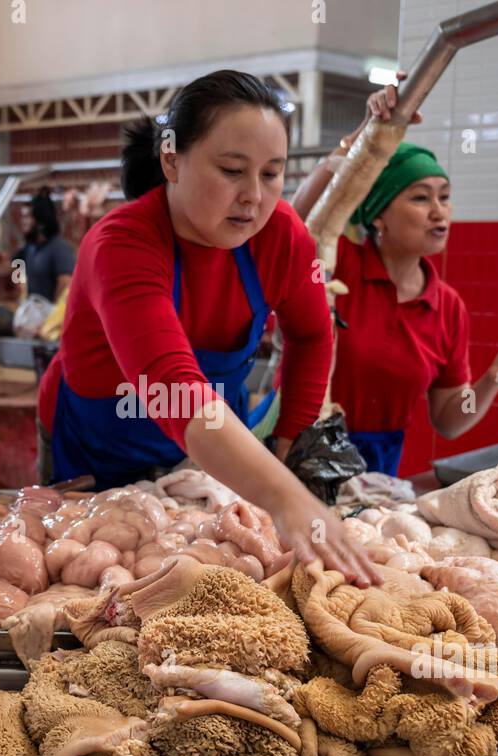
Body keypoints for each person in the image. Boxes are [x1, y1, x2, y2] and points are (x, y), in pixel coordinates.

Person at [37, 69, 380, 584]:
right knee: (90, 585)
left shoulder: (281, 236)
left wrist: (290, 441)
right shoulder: (121, 244)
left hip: (214, 459)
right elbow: (174, 391)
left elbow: (311, 335)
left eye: (271, 174)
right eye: (231, 170)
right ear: (171, 160)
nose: (253, 197)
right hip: (97, 450)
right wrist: (287, 497)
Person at [292, 79, 498, 475]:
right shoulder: (340, 267)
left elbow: (448, 418)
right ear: (378, 215)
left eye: (444, 196)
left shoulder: (448, 308)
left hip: (380, 468)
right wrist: (367, 131)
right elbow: (302, 217)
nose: (439, 212)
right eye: (421, 198)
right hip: (300, 447)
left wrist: (493, 379)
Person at [14, 187, 76, 302]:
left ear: (40, 220)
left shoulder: (59, 248)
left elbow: (65, 283)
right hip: (33, 312)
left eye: (27, 217)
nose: (23, 222)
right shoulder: (30, 248)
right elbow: (15, 267)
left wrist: (51, 315)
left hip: (50, 316)